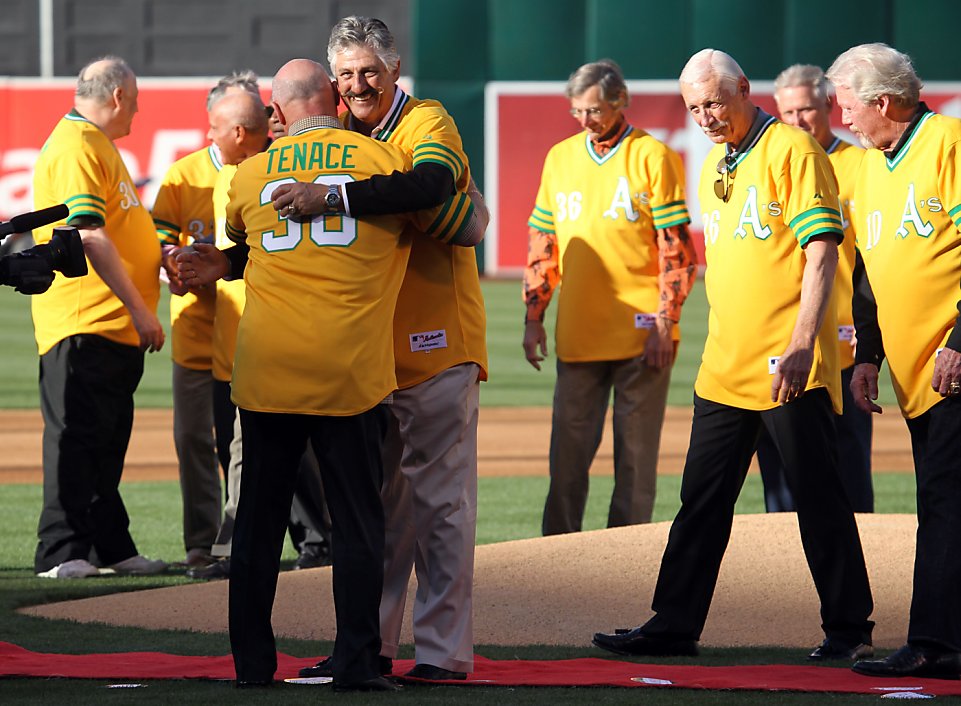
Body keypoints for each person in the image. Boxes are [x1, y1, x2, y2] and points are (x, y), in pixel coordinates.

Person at [178, 58, 478, 690]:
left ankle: (252, 665)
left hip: (267, 372)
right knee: (360, 523)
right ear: (336, 103)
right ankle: (357, 660)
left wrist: (222, 265)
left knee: (258, 527)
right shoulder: (384, 162)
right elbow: (463, 223)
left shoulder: (248, 173)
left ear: (278, 115)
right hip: (350, 370)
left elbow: (250, 240)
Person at [591, 48, 874, 661]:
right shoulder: (717, 160)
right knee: (702, 500)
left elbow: (822, 252)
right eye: (694, 107)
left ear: (745, 88)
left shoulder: (794, 151)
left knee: (818, 495)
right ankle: (672, 625)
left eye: (714, 101)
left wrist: (803, 342)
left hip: (786, 363)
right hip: (724, 364)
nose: (706, 116)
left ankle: (849, 628)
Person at [274, 16, 489, 682]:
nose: (358, 84)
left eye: (370, 70)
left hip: (435, 348)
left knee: (440, 511)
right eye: (345, 75)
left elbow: (434, 193)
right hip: (368, 354)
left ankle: (443, 655)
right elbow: (451, 214)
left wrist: (332, 194)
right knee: (375, 517)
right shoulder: (341, 139)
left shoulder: (427, 121)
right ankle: (368, 646)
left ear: (395, 70)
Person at [825, 43, 961, 680]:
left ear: (883, 101)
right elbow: (872, 277)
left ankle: (934, 642)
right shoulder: (873, 167)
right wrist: (868, 356)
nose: (843, 119)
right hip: (915, 374)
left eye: (849, 107)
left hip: (953, 363)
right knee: (942, 502)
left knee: (943, 504)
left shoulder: (948, 143)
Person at [522, 59, 696, 536]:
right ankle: (554, 557)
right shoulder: (560, 157)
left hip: (643, 336)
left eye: (594, 110)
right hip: (579, 332)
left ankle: (628, 560)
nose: (584, 120)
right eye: (577, 111)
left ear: (621, 102)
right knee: (566, 461)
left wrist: (666, 322)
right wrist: (533, 315)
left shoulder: (652, 156)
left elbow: (676, 250)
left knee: (636, 463)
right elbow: (544, 244)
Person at [31, 56, 167, 578]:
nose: (135, 110)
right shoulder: (78, 146)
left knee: (105, 443)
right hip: (86, 319)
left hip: (110, 326)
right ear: (115, 97)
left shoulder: (97, 145)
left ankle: (110, 546)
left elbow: (121, 228)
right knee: (77, 438)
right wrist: (139, 307)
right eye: (133, 100)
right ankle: (61, 552)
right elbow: (88, 234)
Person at [754, 64, 873, 513]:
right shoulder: (772, 165)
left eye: (805, 108)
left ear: (828, 104)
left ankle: (862, 569)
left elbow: (873, 256)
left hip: (844, 341)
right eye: (787, 112)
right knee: (782, 481)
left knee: (849, 472)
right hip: (785, 342)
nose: (797, 120)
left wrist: (870, 331)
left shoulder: (860, 164)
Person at [152, 77, 243, 569]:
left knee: (247, 444)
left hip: (249, 330)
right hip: (194, 327)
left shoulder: (257, 171)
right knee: (193, 438)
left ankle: (241, 543)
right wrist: (173, 261)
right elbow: (161, 235)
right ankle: (201, 543)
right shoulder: (183, 174)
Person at [183, 87, 269, 581]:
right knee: (241, 449)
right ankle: (237, 550)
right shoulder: (227, 173)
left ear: (237, 132)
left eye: (215, 126)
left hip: (263, 339)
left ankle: (238, 553)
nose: (208, 134)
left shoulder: (250, 174)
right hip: (233, 340)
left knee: (254, 450)